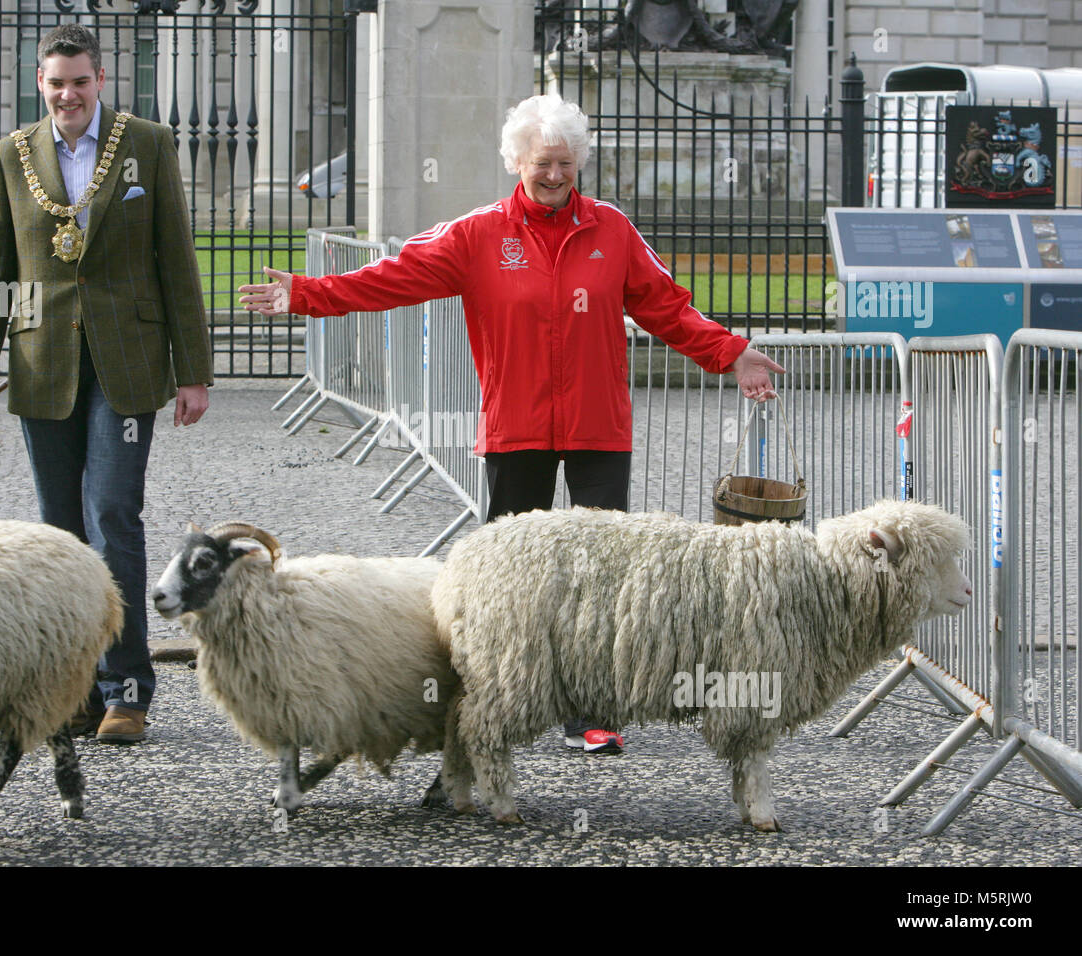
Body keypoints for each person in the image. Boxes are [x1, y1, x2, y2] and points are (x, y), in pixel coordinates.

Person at [239, 94, 782, 755]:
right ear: (516, 163)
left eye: (565, 163)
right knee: (509, 576)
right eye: (541, 164)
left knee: (599, 577)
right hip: (515, 427)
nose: (554, 176)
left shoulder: (612, 231)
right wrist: (305, 294)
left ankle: (592, 708)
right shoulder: (478, 234)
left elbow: (669, 308)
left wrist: (733, 353)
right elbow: (392, 280)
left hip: (595, 429)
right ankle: (501, 699)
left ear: (579, 162)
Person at [0, 24, 213, 744]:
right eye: (57, 82)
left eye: (81, 81)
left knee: (113, 516)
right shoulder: (13, 154)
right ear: (41, 82)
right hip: (44, 365)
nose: (69, 94)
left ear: (102, 80)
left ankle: (128, 687)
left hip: (125, 363)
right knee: (59, 531)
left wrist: (193, 372)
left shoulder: (147, 145)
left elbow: (176, 261)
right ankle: (76, 689)